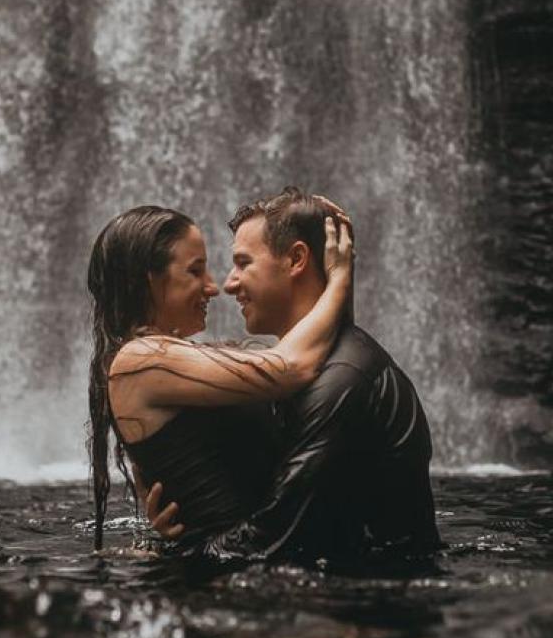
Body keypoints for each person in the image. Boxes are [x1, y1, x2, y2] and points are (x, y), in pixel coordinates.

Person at [146, 187, 440, 568]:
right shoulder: (305, 368)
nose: (229, 284)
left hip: (363, 613)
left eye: (242, 263)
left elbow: (277, 539)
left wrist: (166, 555)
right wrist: (189, 506)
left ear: (296, 259)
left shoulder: (343, 381)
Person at [86, 203, 353, 551]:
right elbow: (292, 368)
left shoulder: (162, 361)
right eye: (195, 271)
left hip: (241, 561)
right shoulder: (141, 361)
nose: (213, 287)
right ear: (148, 281)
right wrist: (339, 278)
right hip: (229, 572)